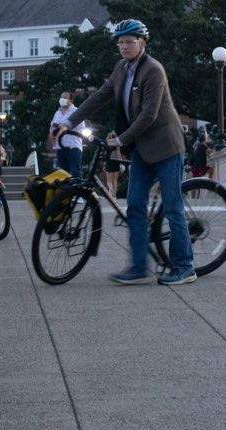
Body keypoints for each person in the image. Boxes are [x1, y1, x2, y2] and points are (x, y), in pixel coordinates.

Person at [56, 19, 195, 285]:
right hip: (142, 148)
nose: (123, 47)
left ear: (142, 43)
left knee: (173, 208)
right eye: (119, 42)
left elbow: (148, 115)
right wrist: (68, 122)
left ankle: (185, 266)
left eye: (129, 42)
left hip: (165, 146)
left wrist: (119, 140)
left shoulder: (153, 70)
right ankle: (139, 267)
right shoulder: (121, 69)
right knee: (135, 207)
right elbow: (99, 97)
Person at [50, 90, 83, 177]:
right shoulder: (57, 113)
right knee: (64, 174)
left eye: (64, 98)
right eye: (61, 97)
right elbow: (52, 125)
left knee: (75, 172)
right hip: (60, 147)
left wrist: (65, 127)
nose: (62, 99)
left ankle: (79, 190)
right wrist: (51, 133)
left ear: (70, 101)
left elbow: (81, 128)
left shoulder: (76, 111)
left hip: (73, 147)